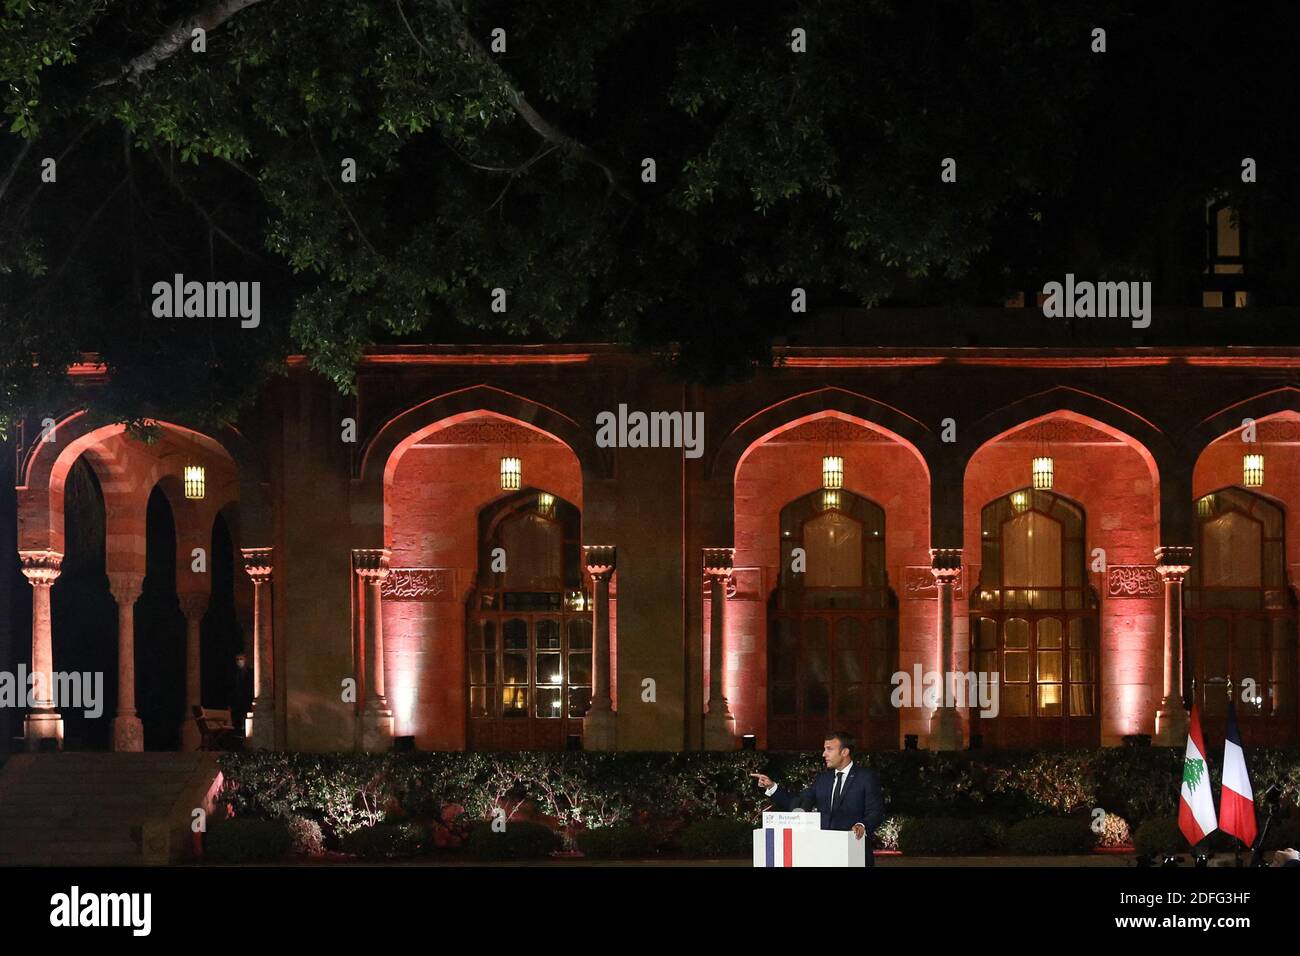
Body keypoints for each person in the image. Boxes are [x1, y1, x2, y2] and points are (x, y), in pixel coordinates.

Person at [751, 730, 886, 867]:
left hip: (856, 854)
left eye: (829, 749)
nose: (824, 754)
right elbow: (799, 803)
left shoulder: (866, 777)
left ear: (844, 752)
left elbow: (876, 812)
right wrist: (772, 787)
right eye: (824, 749)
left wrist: (862, 825)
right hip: (824, 855)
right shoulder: (823, 779)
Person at [229, 652, 254, 737]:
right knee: (237, 724)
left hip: (247, 700)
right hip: (236, 702)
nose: (239, 661)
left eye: (241, 659)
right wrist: (230, 703)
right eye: (238, 659)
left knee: (248, 722)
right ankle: (238, 744)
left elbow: (252, 687)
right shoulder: (233, 673)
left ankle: (247, 741)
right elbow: (230, 688)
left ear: (245, 660)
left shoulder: (251, 672)